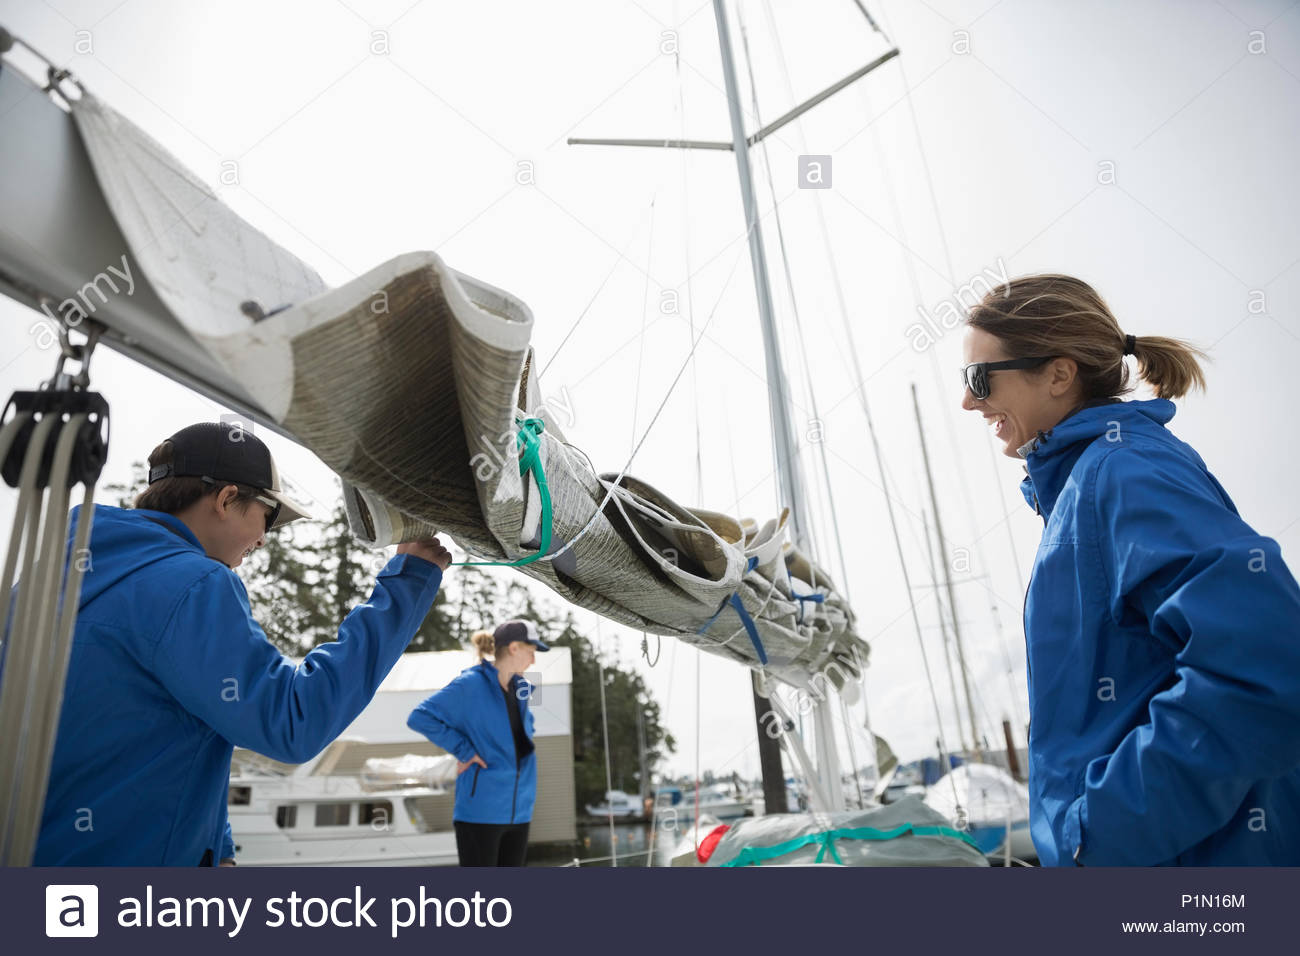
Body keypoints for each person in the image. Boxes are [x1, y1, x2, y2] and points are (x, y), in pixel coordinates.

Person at [960, 273, 1300, 865]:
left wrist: (1096, 836)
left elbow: (1267, 666)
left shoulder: (1123, 472)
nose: (968, 401)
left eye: (980, 378)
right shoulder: (1096, 481)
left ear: (1059, 374)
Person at [32, 421, 451, 865]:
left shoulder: (48, 581)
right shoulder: (194, 585)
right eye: (267, 516)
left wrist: (219, 847)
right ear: (227, 499)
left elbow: (151, 740)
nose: (264, 538)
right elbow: (292, 721)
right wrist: (407, 584)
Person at [407, 619, 548, 866]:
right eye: (531, 652)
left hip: (520, 812)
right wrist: (464, 751)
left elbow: (525, 733)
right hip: (480, 813)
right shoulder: (470, 684)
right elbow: (420, 717)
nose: (533, 661)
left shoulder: (522, 689)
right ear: (514, 648)